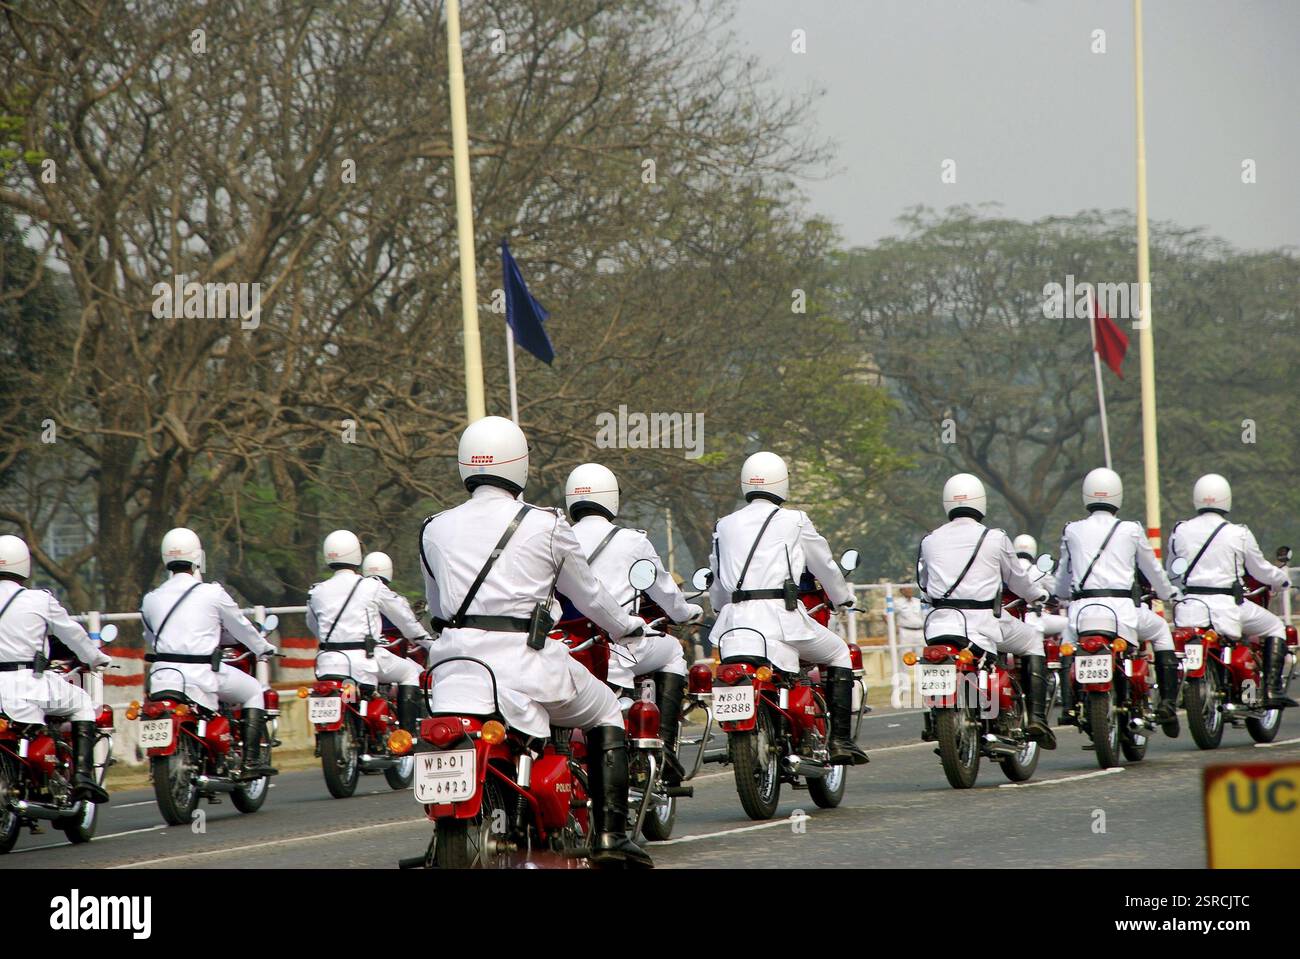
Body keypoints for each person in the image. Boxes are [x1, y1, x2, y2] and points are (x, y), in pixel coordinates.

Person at [419, 416, 655, 868]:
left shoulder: (433, 527)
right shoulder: (544, 524)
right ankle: (610, 835)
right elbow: (591, 597)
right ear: (520, 465)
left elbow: (436, 609)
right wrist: (626, 626)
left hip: (453, 672)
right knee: (607, 708)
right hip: (525, 666)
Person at [707, 451, 868, 766]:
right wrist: (842, 597)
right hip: (783, 620)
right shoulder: (795, 520)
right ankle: (839, 741)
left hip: (736, 625)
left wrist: (719, 608)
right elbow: (824, 565)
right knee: (838, 654)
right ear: (782, 483)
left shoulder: (724, 525)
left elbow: (716, 579)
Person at [562, 462, 702, 783]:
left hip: (567, 649)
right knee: (672, 652)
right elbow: (665, 591)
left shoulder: (558, 536)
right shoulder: (631, 540)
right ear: (612, 498)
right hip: (618, 648)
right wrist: (686, 614)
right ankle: (663, 748)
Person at [917, 474, 1056, 747]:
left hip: (940, 624)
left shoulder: (929, 540)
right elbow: (1018, 580)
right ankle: (1037, 719)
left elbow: (923, 586)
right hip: (982, 623)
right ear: (981, 501)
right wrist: (1038, 595)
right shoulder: (994, 538)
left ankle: (935, 718)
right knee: (1033, 640)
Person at [1055, 468, 1182, 736]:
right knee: (1160, 631)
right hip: (1122, 612)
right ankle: (1168, 703)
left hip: (1082, 613)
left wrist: (1062, 595)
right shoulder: (1131, 529)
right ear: (1118, 496)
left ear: (1086, 495)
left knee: (1067, 645)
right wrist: (1168, 593)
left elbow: (1063, 579)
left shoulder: (1072, 530)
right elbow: (1152, 570)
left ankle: (1067, 706)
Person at [141, 528, 277, 777]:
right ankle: (251, 761)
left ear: (165, 558)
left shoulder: (151, 599)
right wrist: (263, 648)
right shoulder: (212, 593)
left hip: (163, 676)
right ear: (198, 557)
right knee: (254, 691)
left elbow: (152, 638)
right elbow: (241, 628)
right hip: (202, 673)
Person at [1167, 473, 1296, 709]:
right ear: (1226, 499)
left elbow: (1173, 571)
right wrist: (1282, 580)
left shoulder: (1180, 531)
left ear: (1197, 499)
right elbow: (1261, 571)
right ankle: (1270, 689)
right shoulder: (1239, 533)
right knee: (1275, 626)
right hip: (1228, 607)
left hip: (1191, 608)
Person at [0, 534, 112, 803]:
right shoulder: (39, 599)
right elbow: (73, 634)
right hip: (27, 684)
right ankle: (83, 776)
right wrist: (95, 658)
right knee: (83, 702)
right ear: (24, 565)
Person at [307, 533, 430, 735]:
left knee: (350, 694)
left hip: (327, 663)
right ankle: (407, 738)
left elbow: (314, 626)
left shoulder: (317, 591)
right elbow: (404, 619)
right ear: (356, 554)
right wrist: (422, 639)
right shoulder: (371, 587)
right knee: (410, 672)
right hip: (365, 660)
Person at [895, 585, 925, 653]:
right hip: (906, 632)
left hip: (920, 631)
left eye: (910, 588)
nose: (909, 590)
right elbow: (885, 615)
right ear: (901, 591)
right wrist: (893, 627)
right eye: (906, 589)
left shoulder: (918, 601)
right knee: (906, 654)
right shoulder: (897, 602)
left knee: (921, 654)